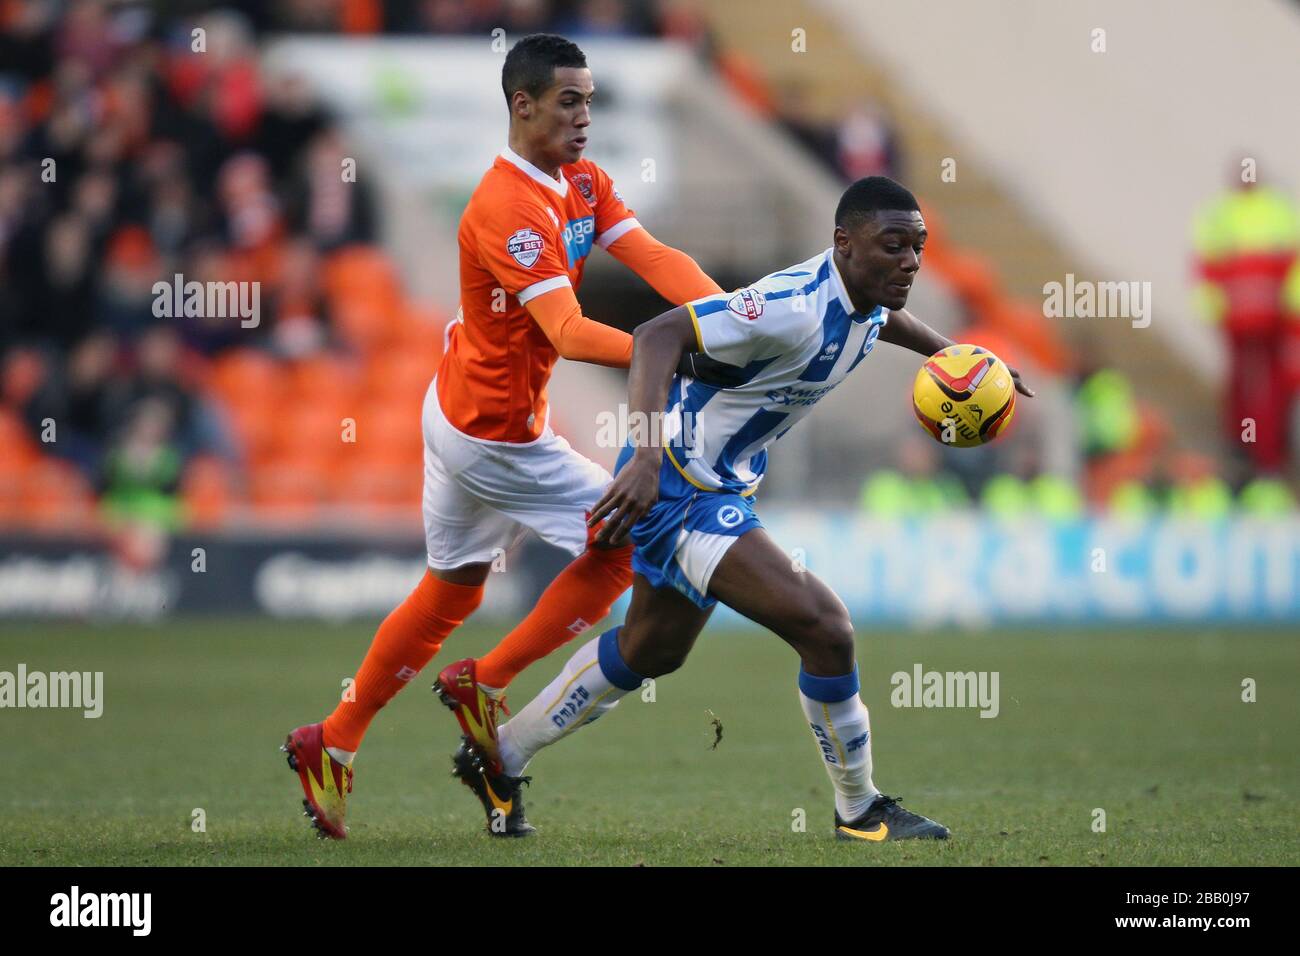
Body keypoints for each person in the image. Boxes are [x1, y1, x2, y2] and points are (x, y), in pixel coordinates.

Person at [451, 176, 1034, 840]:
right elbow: (656, 336)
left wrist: (952, 355)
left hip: (713, 480)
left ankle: (497, 757)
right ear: (844, 244)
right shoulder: (788, 307)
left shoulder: (867, 297)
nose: (908, 261)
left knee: (651, 651)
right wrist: (642, 457)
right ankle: (860, 810)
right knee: (825, 627)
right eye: (892, 246)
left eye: (918, 248)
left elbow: (884, 319)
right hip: (677, 480)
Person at [283, 34, 724, 839]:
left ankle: (333, 741)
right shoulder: (506, 207)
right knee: (630, 542)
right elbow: (568, 330)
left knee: (453, 588)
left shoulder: (582, 181)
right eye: (568, 101)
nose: (585, 116)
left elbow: (655, 258)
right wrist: (677, 356)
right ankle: (485, 682)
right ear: (523, 106)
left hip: (452, 408)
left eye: (589, 100)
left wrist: (732, 320)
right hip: (496, 438)